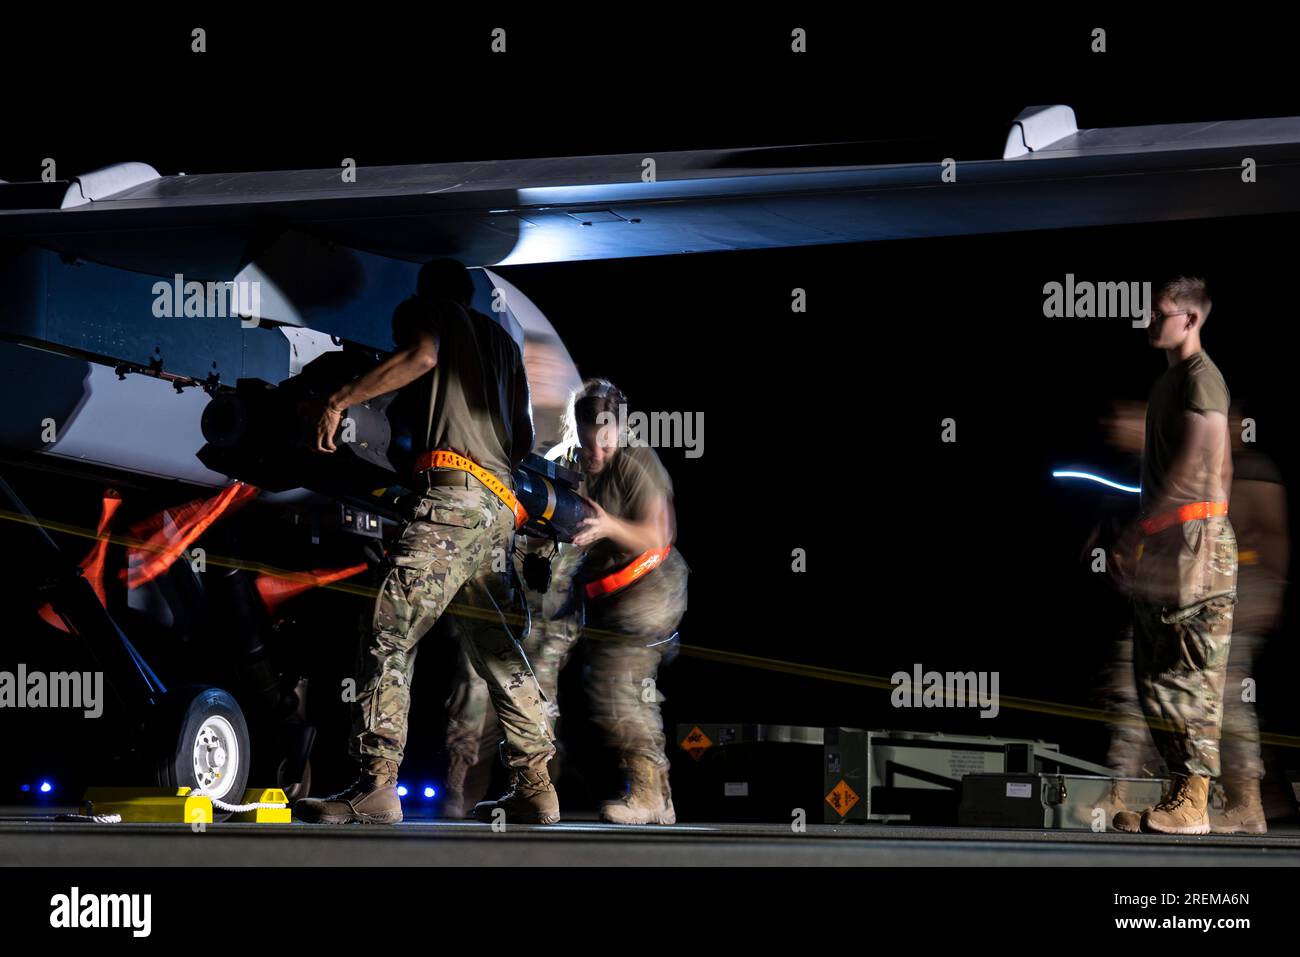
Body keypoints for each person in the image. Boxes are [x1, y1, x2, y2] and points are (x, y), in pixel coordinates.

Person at [294, 258, 560, 825]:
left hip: (451, 500)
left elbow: (422, 355)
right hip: (497, 508)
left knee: (388, 636)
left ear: (429, 293)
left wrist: (338, 401)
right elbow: (524, 436)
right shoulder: (504, 346)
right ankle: (538, 788)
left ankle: (376, 785)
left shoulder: (429, 314)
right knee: (500, 653)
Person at [1112, 277, 1238, 835]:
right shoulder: (1170, 382)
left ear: (1190, 320)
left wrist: (1159, 532)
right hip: (1174, 537)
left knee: (1192, 672)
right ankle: (1179, 792)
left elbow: (1198, 462)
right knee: (1154, 671)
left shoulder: (1201, 379)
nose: (1149, 322)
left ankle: (1195, 799)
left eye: (1160, 314)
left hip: (1191, 540)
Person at [567, 379, 688, 825]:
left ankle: (648, 794)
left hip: (652, 584)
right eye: (587, 441)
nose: (596, 452)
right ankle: (660, 797)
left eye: (604, 440)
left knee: (618, 684)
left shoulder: (639, 461)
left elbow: (659, 535)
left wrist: (607, 527)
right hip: (603, 595)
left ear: (619, 428)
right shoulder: (575, 464)